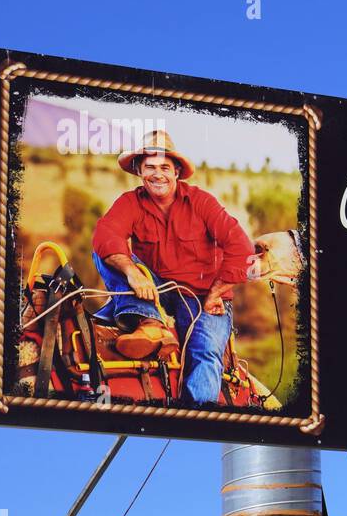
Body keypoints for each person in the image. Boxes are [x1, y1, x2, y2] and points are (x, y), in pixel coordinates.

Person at [91, 130, 255, 406]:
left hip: (202, 298)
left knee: (205, 351)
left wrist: (216, 292)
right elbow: (106, 236)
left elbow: (243, 248)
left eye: (165, 167)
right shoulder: (130, 202)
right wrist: (133, 272)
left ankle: (198, 414)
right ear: (139, 171)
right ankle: (150, 321)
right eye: (150, 167)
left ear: (176, 171)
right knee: (104, 251)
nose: (158, 174)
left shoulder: (202, 202)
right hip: (155, 290)